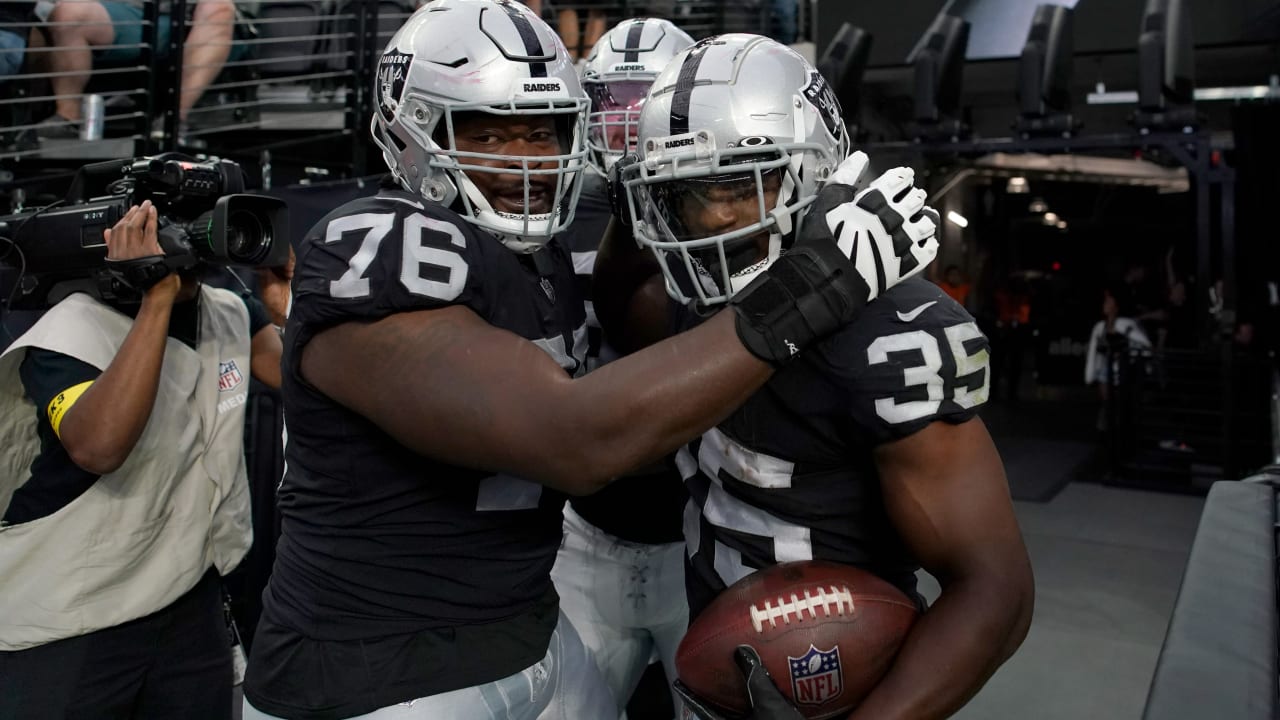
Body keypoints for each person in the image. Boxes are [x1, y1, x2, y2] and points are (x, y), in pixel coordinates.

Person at [240, 3, 939, 719]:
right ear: (412, 131)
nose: (525, 160)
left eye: (543, 131)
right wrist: (817, 286)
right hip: (379, 675)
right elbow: (571, 440)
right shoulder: (382, 242)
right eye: (488, 133)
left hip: (528, 630)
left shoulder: (540, 259)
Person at [597, 34, 1035, 719]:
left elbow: (996, 590)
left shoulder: (890, 336)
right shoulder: (691, 295)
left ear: (814, 172)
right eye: (689, 194)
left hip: (839, 685)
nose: (716, 217)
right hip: (713, 663)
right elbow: (618, 309)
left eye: (741, 182)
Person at [0, 200, 288, 719]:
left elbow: (307, 385)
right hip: (69, 617)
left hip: (188, 599)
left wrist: (292, 310)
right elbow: (99, 448)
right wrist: (157, 295)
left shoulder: (228, 309)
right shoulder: (68, 328)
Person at [550, 16, 694, 718]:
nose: (626, 123)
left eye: (645, 102)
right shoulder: (551, 210)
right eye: (611, 103)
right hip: (584, 525)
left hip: (700, 530)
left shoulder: (721, 206)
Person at [37, 0, 244, 138]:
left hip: (193, 16)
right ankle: (67, 118)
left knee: (219, 7)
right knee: (68, 13)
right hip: (126, 10)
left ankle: (172, 121)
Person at [1085, 288, 1151, 431]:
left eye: (1109, 301)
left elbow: (1144, 344)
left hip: (1124, 372)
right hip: (1104, 370)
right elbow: (1093, 351)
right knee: (1107, 403)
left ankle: (1120, 430)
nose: (1105, 304)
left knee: (1121, 404)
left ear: (1116, 305)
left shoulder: (1126, 324)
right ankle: (1106, 431)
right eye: (1105, 301)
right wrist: (1090, 374)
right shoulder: (1100, 327)